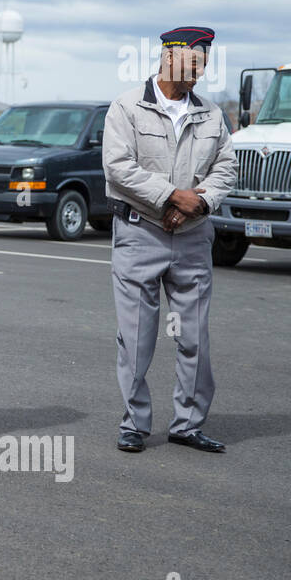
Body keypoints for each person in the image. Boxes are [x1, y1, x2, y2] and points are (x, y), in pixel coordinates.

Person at [103, 26, 237, 454]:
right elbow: (118, 167)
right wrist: (169, 196)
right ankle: (133, 424)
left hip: (193, 239)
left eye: (204, 63)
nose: (199, 72)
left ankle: (188, 424)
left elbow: (226, 168)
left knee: (194, 335)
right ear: (168, 58)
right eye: (192, 62)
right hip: (141, 234)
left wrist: (199, 202)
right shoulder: (127, 107)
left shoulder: (212, 114)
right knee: (138, 336)